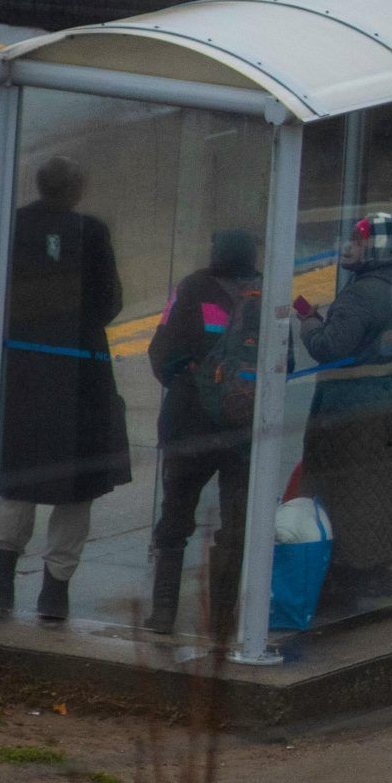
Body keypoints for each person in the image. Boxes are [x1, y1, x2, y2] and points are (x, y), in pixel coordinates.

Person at [0, 157, 129, 624]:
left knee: (18, 475)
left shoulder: (15, 224)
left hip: (24, 368)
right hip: (80, 371)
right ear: (77, 189)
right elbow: (109, 299)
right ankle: (55, 591)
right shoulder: (90, 231)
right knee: (78, 484)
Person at [297, 212, 392, 615]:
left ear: (376, 249)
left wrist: (309, 320)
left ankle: (339, 583)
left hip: (351, 413)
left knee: (342, 496)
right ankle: (381, 572)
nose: (346, 248)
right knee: (381, 495)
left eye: (356, 242)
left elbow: (328, 347)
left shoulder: (363, 293)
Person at [145, 229, 260, 639]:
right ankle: (222, 619)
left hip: (189, 424)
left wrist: (192, 380)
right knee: (236, 526)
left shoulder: (194, 287)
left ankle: (163, 612)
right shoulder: (264, 293)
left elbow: (162, 354)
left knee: (175, 519)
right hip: (244, 430)